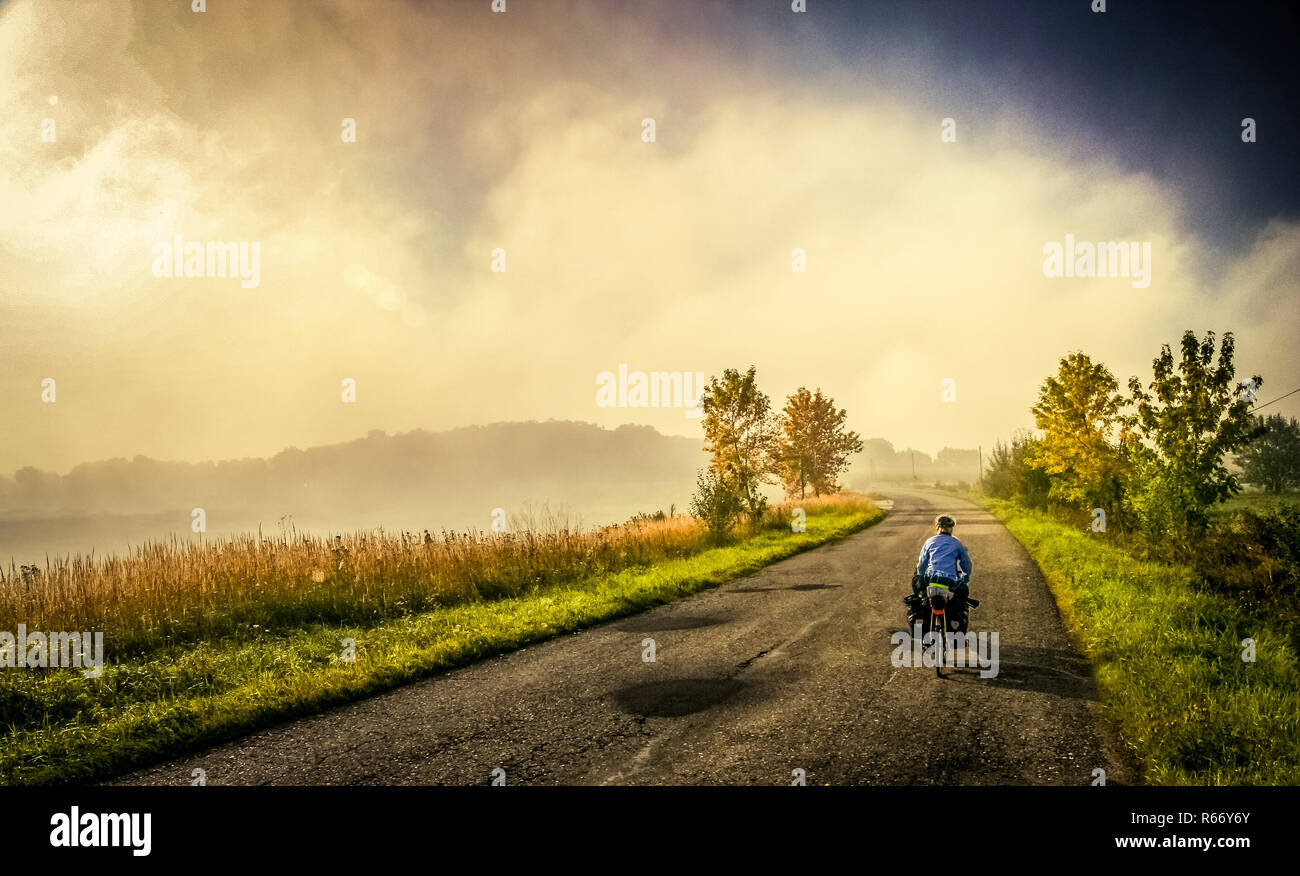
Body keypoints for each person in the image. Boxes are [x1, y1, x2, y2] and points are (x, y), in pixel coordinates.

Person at [914, 514, 973, 612]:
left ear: (937, 527)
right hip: (950, 581)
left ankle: (918, 627)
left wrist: (920, 578)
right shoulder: (957, 543)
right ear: (951, 529)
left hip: (930, 579)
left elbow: (922, 564)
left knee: (919, 599)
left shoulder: (929, 542)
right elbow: (966, 564)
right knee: (961, 602)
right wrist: (965, 579)